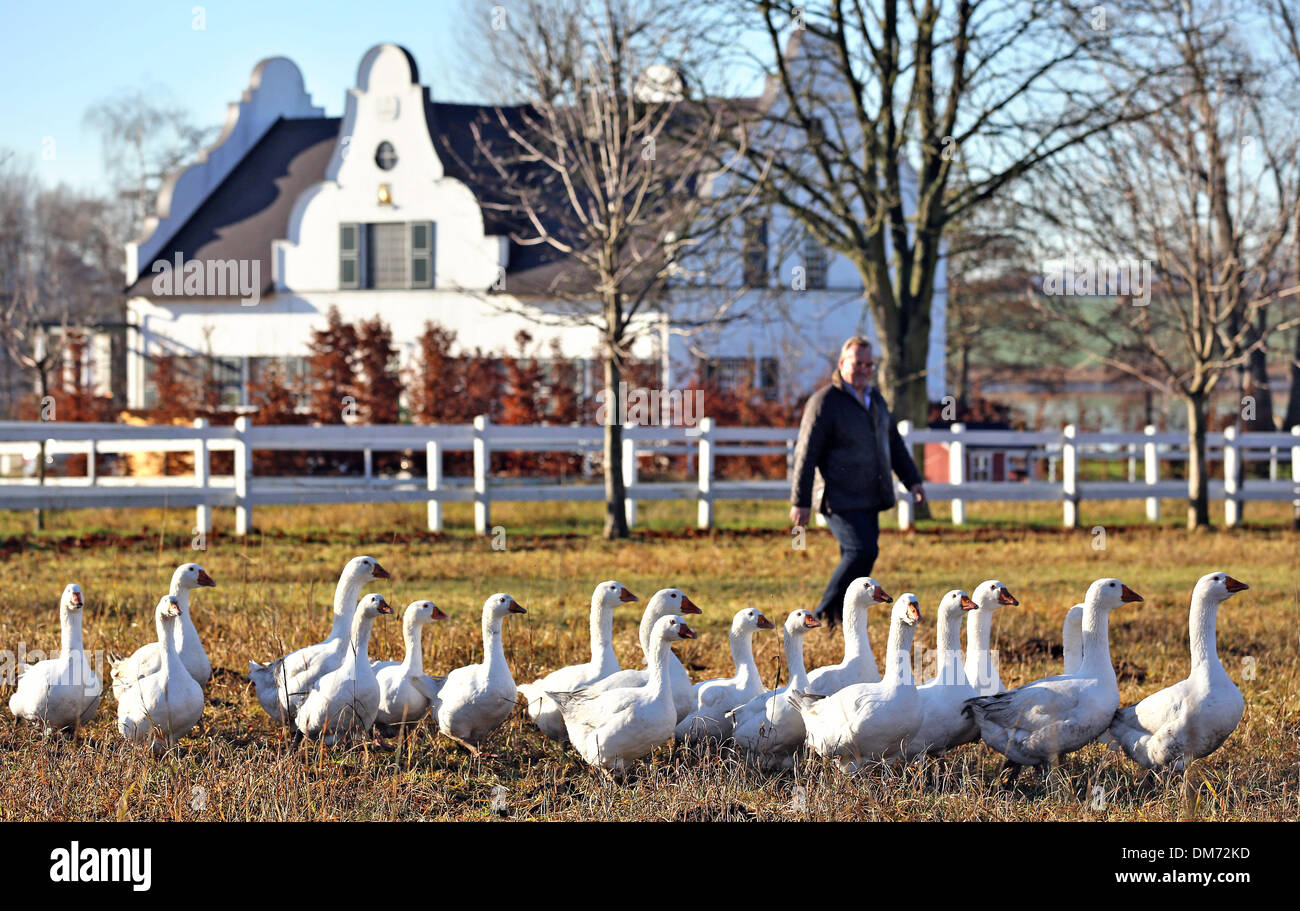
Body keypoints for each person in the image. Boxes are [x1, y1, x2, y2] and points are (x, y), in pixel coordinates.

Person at [789, 337, 926, 628]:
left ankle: (839, 621)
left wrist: (913, 481)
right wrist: (799, 501)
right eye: (857, 363)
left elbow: (894, 443)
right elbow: (805, 452)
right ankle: (823, 616)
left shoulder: (875, 399)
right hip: (837, 497)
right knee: (861, 551)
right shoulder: (824, 401)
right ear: (842, 364)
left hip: (870, 496)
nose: (864, 369)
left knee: (859, 559)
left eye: (868, 364)